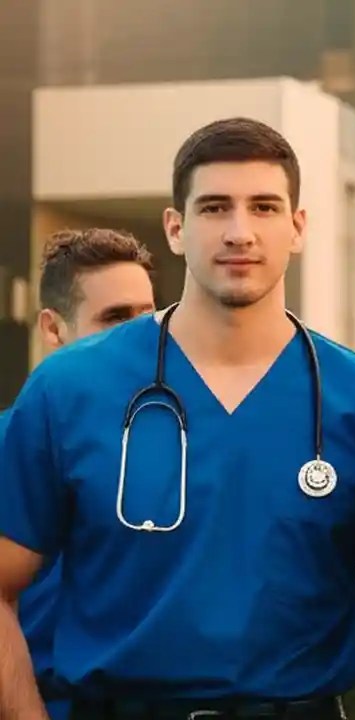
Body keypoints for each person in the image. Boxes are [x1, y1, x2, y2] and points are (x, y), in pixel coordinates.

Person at [0, 117, 355, 720]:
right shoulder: (72, 389)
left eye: (265, 208)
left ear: (298, 228)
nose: (240, 232)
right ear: (176, 227)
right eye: (216, 208)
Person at [5, 228, 157, 720]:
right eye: (115, 318)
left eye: (147, 316)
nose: (139, 335)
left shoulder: (182, 441)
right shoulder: (7, 444)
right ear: (53, 329)